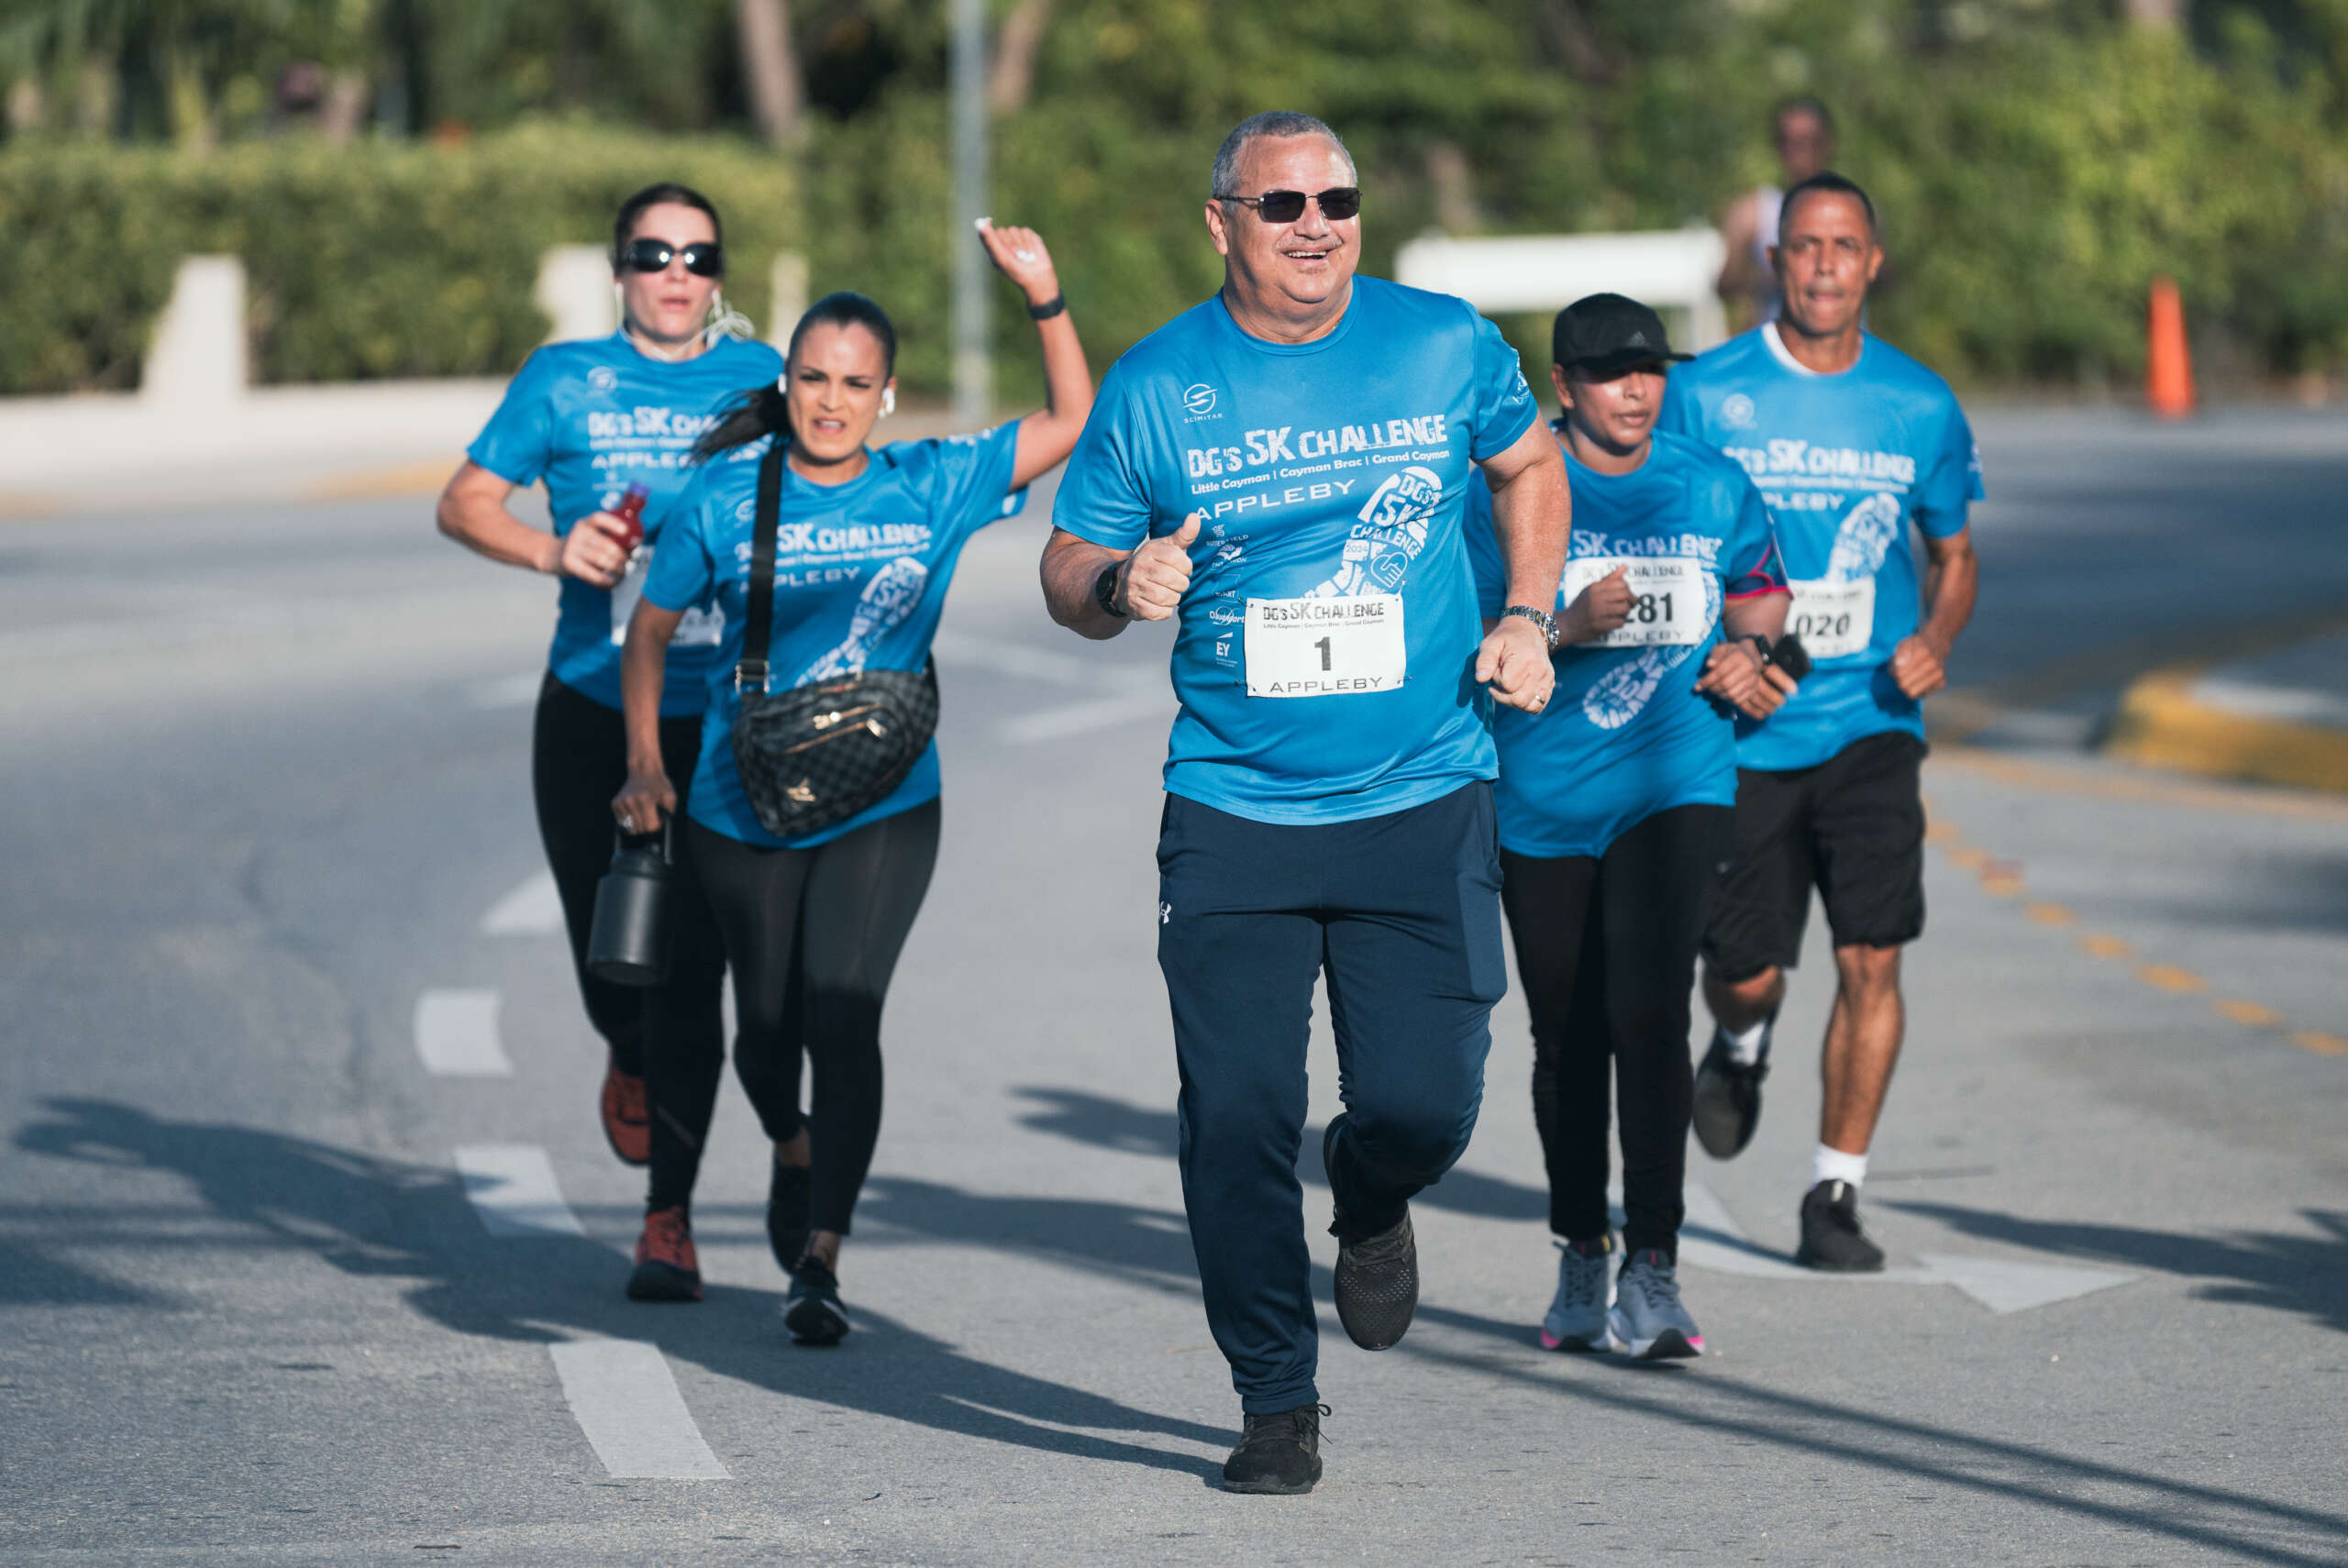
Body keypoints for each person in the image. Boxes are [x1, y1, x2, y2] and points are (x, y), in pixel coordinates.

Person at [1042, 110, 1569, 1496]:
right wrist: (1118, 588)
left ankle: (1376, 1187)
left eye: (1336, 197)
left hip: (1424, 790)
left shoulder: (1443, 340)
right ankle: (1276, 1397)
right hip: (1235, 810)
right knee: (1234, 1115)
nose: (1317, 224)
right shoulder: (1158, 385)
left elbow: (1527, 466)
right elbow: (1069, 564)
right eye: (1282, 205)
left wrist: (1526, 612)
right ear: (1221, 221)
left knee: (1422, 1102)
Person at [610, 223, 1092, 1341]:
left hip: (886, 796)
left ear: (885, 396)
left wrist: (1044, 292)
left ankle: (821, 1256)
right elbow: (647, 634)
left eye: (855, 383)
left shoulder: (936, 480)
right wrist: (645, 762)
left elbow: (1067, 421)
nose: (831, 400)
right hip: (742, 802)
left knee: (846, 1010)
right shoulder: (729, 499)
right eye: (812, 378)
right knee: (765, 1030)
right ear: (786, 384)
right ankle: (791, 1139)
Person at [1660, 171, 1982, 1272]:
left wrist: (1937, 632)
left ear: (1872, 263)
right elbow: (1660, 536)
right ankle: (1740, 1041)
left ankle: (1833, 1194)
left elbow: (1953, 555)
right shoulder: (1705, 392)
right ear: (1775, 261)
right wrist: (1720, 651)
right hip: (1746, 727)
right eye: (1804, 247)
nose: (1825, 266)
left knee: (1872, 958)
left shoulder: (1920, 404)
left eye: (1845, 246)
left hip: (1871, 718)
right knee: (1743, 966)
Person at [1464, 294, 1790, 1361]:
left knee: (1650, 1014)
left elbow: (1762, 596)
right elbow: (1457, 644)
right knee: (1567, 1036)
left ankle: (1654, 1267)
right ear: (1563, 386)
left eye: (1651, 368)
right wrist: (1559, 626)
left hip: (1675, 782)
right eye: (1610, 372)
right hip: (1542, 800)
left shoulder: (1705, 481)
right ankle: (1580, 1249)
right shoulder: (1510, 487)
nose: (1637, 389)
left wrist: (1757, 659)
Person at [436, 183, 778, 1177]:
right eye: (654, 255)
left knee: (690, 966)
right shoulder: (564, 379)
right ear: (618, 268)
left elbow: (835, 486)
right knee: (608, 960)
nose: (677, 276)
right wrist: (555, 550)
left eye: (699, 259)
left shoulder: (763, 378)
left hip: (724, 717)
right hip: (590, 699)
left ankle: (667, 1219)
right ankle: (624, 1047)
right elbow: (463, 505)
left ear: (719, 276)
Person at [1715, 99, 1835, 331]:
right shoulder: (1754, 211)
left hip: (1844, 356)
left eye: (1808, 141)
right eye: (1789, 141)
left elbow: (1885, 276)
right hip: (1777, 354)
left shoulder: (1857, 209)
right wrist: (1775, 276)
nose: (1799, 151)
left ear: (1827, 143)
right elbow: (1725, 286)